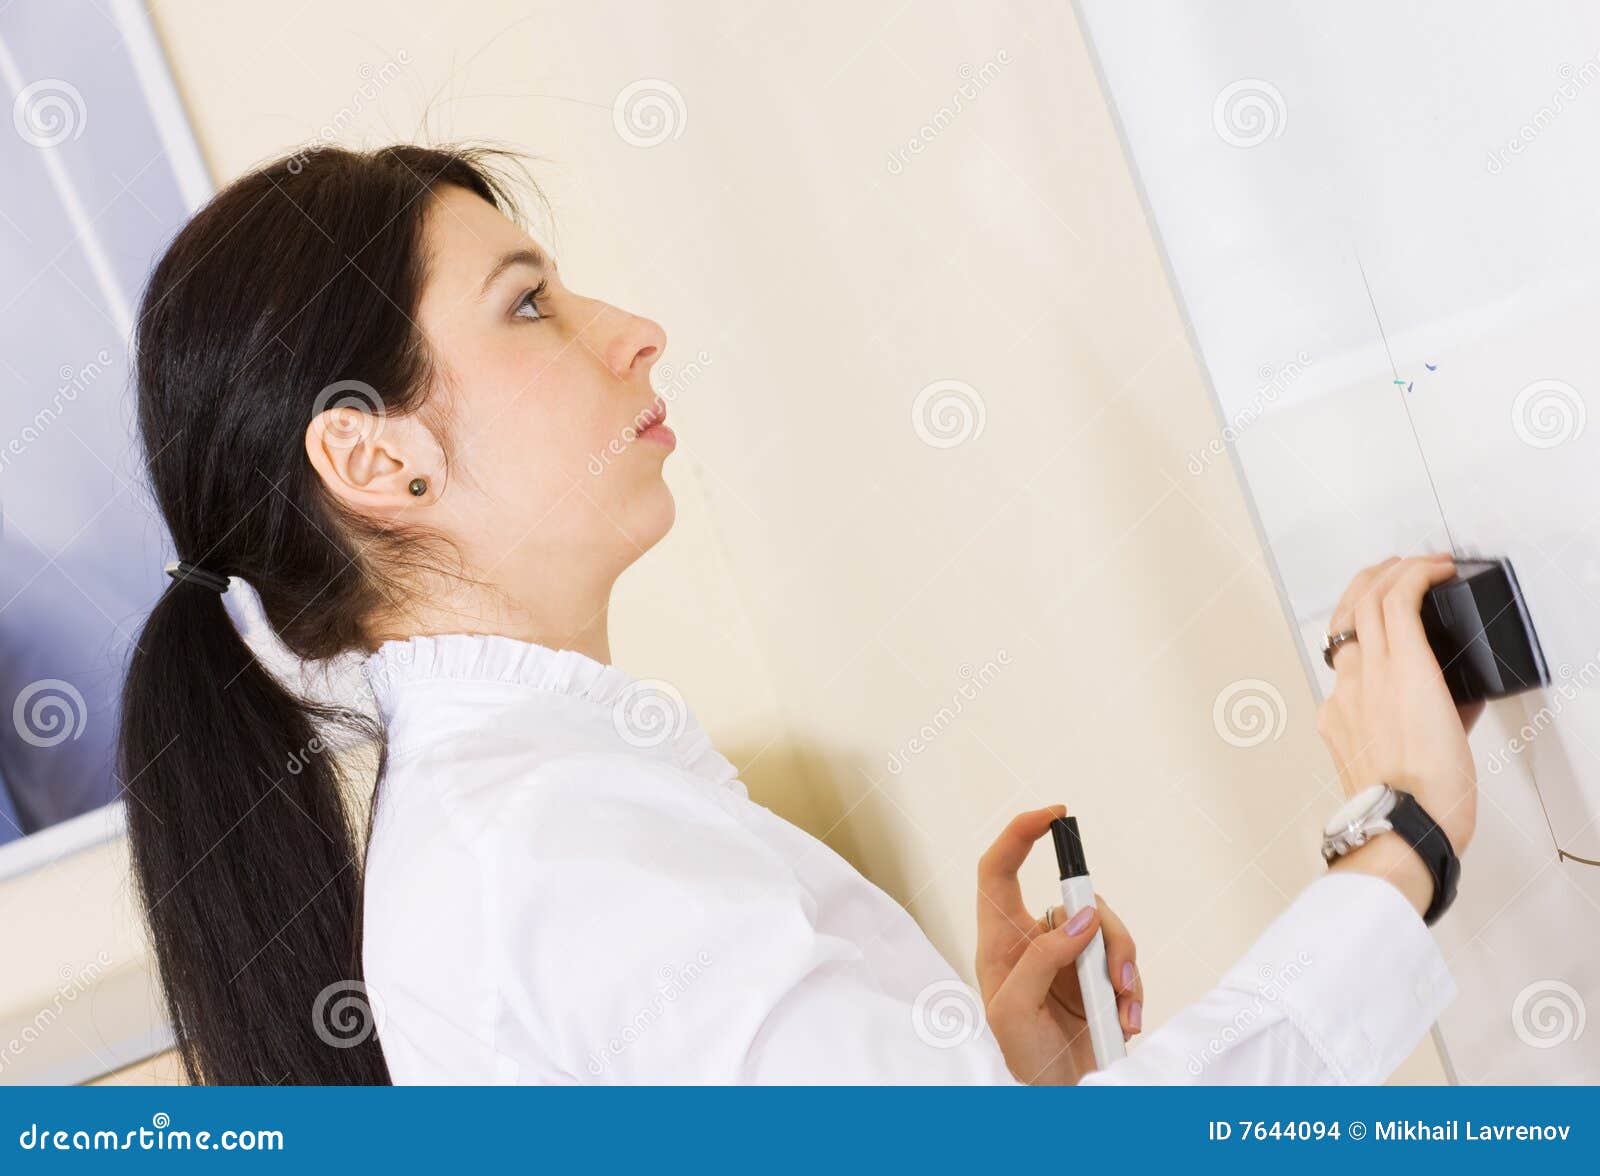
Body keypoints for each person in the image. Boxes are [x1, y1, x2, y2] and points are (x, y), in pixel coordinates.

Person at [119, 144, 1475, 1085]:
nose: (633, 328)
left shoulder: (534, 815)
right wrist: (1401, 838)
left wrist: (985, 1076)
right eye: (527, 305)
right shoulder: (546, 843)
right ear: (375, 460)